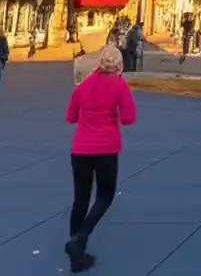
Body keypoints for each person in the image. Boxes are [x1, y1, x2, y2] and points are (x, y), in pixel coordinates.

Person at [64, 46, 137, 273]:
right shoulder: (118, 85)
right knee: (105, 196)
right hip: (105, 148)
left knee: (80, 199)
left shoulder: (82, 86)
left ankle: (77, 255)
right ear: (119, 65)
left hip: (80, 149)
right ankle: (81, 239)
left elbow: (70, 117)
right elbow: (128, 118)